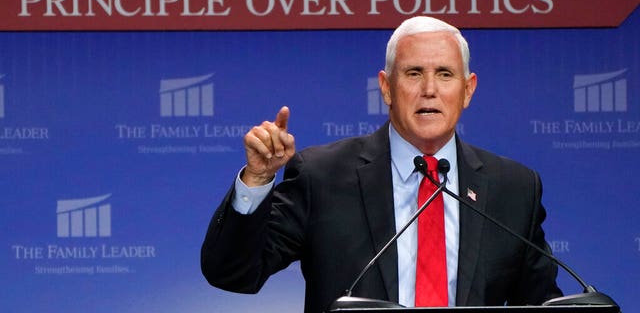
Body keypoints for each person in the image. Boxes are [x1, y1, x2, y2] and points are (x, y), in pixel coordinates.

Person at [201, 16, 562, 313]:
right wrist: (258, 178)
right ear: (386, 88)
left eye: (445, 74)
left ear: (468, 90)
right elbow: (233, 274)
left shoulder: (513, 188)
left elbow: (541, 301)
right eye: (414, 73)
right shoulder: (322, 176)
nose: (430, 89)